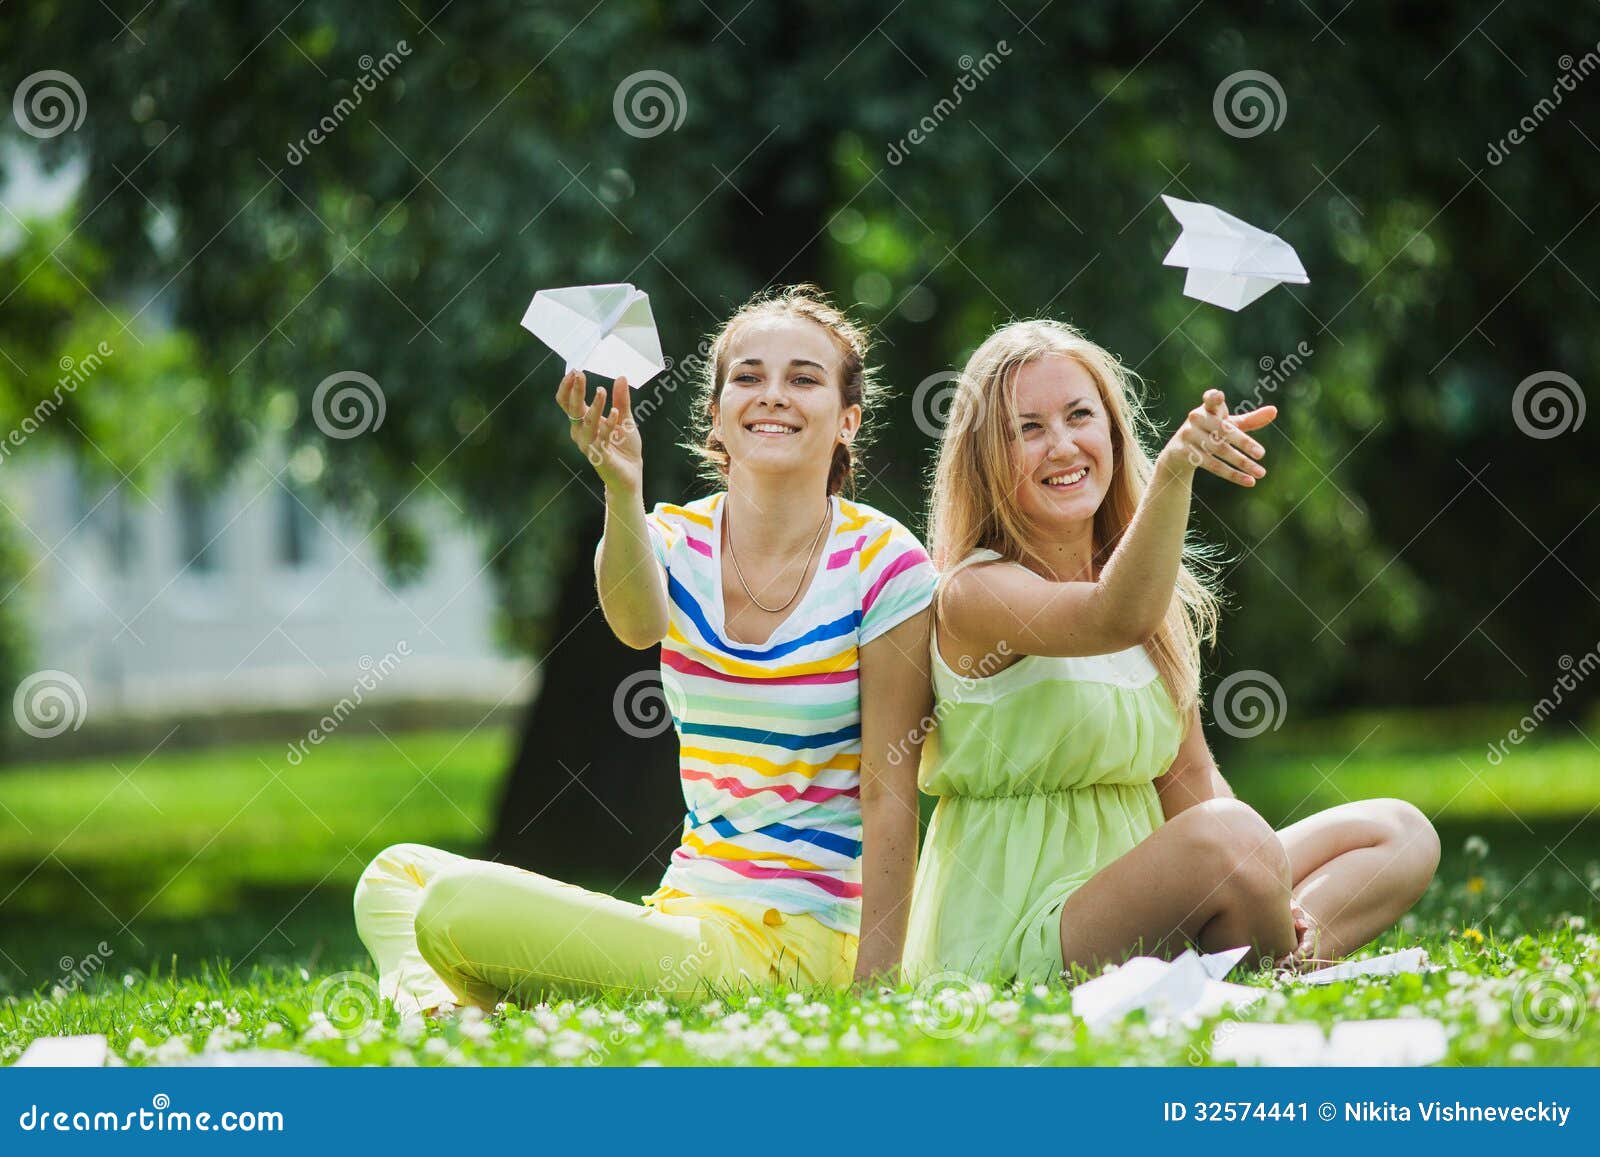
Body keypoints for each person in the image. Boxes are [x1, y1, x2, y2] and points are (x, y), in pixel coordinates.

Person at [353, 285, 936, 1013]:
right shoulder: (674, 537)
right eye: (747, 377)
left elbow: (889, 793)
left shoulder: (885, 561)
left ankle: (446, 1014)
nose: (773, 396)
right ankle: (441, 1016)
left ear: (847, 420)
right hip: (686, 917)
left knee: (453, 906)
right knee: (394, 872)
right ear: (717, 416)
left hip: (801, 936)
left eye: (804, 378)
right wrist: (621, 488)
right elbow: (635, 623)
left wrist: (874, 994)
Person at [903, 318, 1439, 985]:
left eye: (1079, 416)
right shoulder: (974, 590)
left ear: (1112, 431)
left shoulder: (1152, 601)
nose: (1063, 445)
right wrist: (1176, 472)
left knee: (1398, 830)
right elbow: (1108, 617)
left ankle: (1286, 955)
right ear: (984, 457)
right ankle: (1272, 973)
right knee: (1232, 841)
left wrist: (1264, 881)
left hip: (1157, 894)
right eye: (1027, 429)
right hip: (1024, 929)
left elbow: (1192, 787)